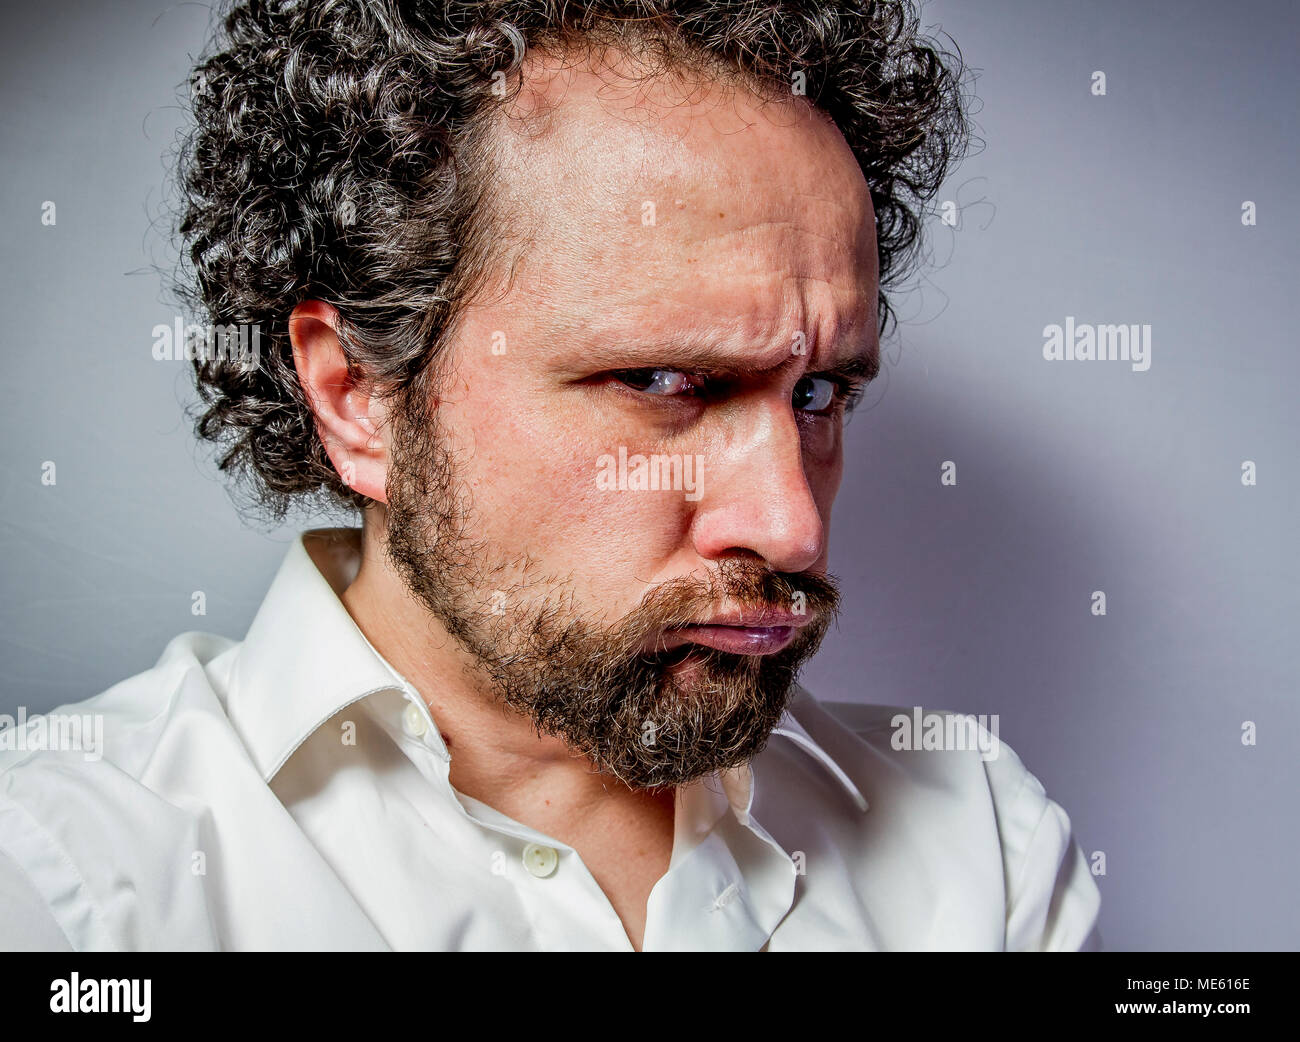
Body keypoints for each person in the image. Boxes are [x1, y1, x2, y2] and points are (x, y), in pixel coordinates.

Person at [0, 0, 1100, 951]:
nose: (791, 525)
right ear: (359, 395)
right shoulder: (68, 882)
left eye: (817, 395)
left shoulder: (976, 848)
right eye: (664, 381)